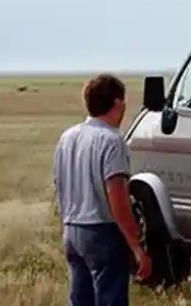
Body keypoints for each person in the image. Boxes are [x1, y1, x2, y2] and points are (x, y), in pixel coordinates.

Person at [53, 73, 152, 306]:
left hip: (72, 229)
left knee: (80, 299)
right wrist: (136, 247)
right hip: (102, 232)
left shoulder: (67, 138)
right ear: (117, 103)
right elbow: (117, 196)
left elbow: (59, 184)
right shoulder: (111, 140)